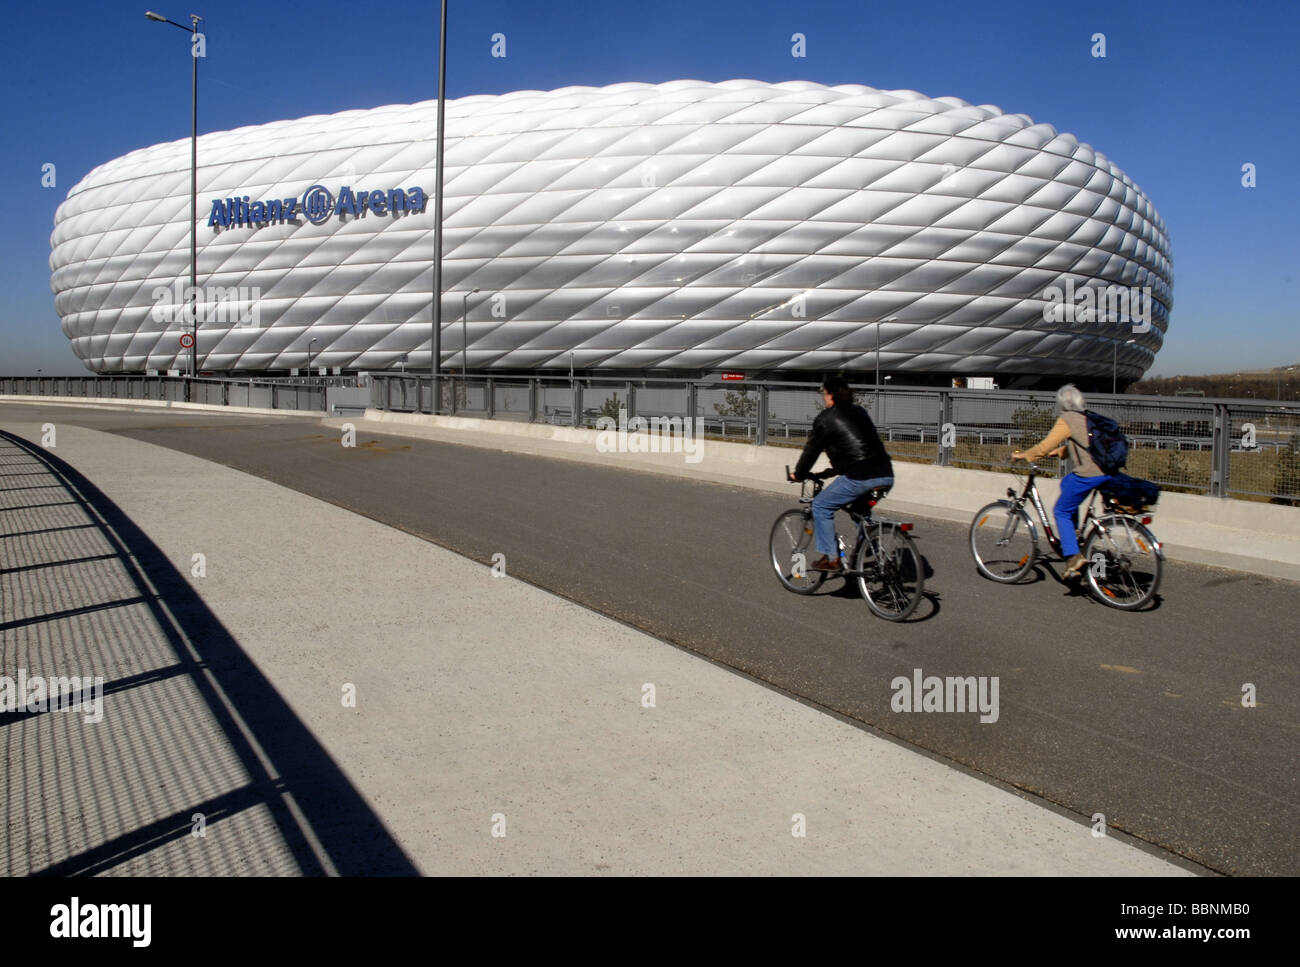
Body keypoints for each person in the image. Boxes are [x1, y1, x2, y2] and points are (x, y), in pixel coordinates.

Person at [788, 376, 894, 571]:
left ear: (830, 395)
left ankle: (832, 558)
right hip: (886, 472)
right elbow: (857, 446)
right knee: (859, 512)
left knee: (821, 505)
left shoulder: (826, 418)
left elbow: (811, 450)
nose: (823, 398)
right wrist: (830, 472)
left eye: (824, 394)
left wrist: (799, 474)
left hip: (861, 477)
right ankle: (867, 555)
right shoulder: (860, 412)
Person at [1011, 384, 1113, 578]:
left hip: (1090, 473)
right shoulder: (1086, 417)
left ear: (1062, 403)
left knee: (1061, 510)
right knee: (1067, 484)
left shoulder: (1067, 419)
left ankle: (1073, 557)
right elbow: (1084, 443)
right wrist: (1060, 452)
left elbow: (1044, 446)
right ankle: (1073, 534)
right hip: (1105, 470)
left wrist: (1025, 455)